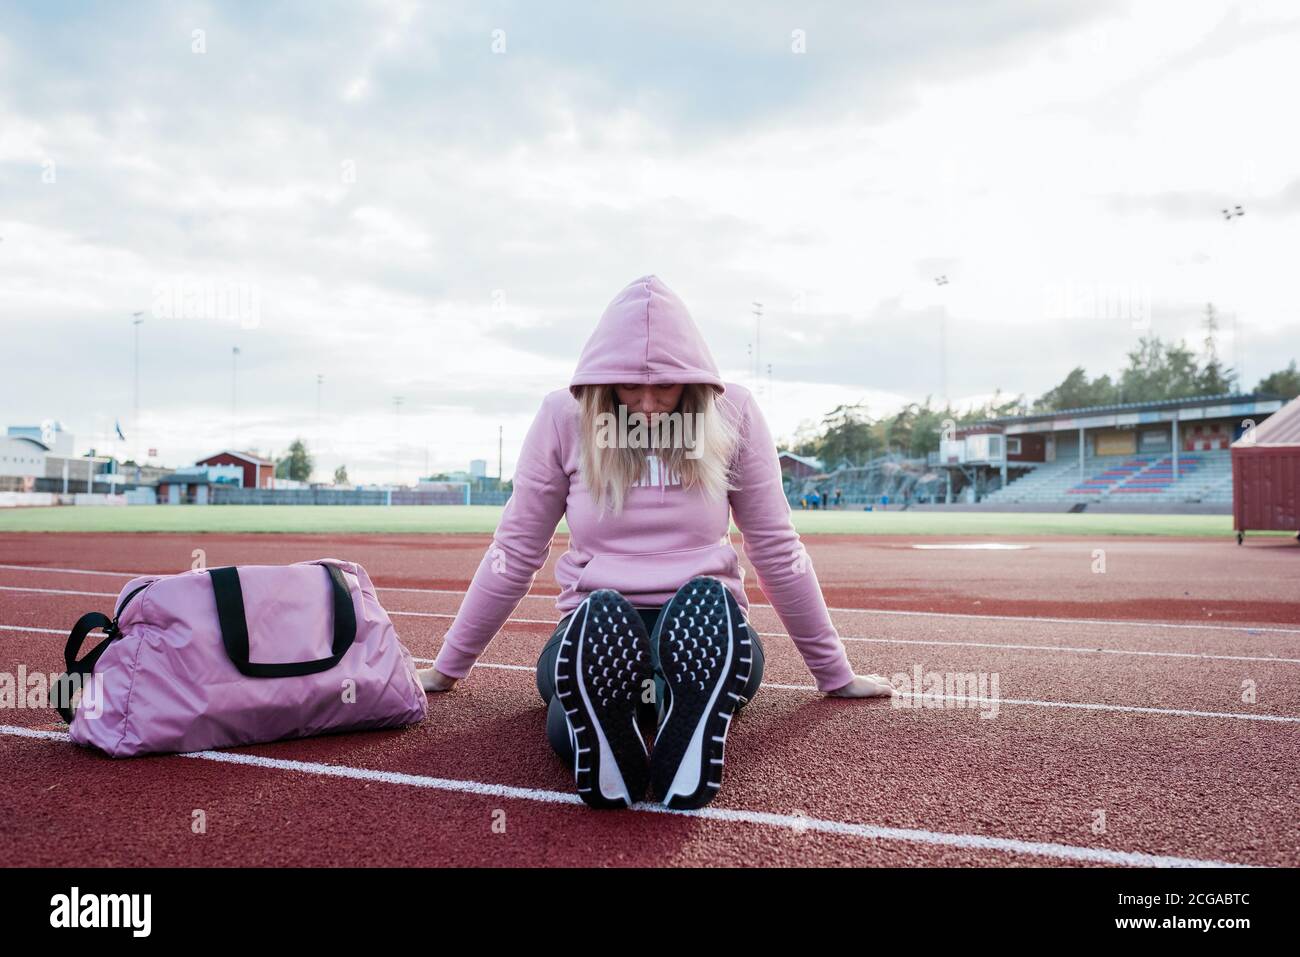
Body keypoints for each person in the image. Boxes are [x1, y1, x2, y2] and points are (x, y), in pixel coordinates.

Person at [416, 275, 893, 811]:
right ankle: (637, 728)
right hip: (595, 627)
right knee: (575, 698)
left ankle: (666, 721)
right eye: (628, 387)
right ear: (600, 383)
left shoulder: (732, 411)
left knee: (671, 676)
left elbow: (775, 546)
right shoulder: (563, 417)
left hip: (704, 628)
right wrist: (446, 667)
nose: (646, 406)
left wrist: (835, 673)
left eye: (665, 388)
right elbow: (516, 548)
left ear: (694, 383)